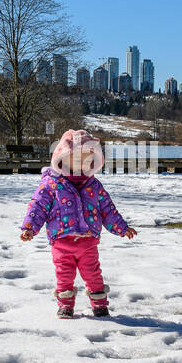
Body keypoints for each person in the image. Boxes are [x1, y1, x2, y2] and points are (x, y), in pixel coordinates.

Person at [20, 129, 137, 318]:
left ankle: (99, 304)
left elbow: (107, 209)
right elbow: (38, 207)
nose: (81, 165)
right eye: (75, 160)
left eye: (86, 161)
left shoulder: (94, 185)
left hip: (88, 242)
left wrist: (122, 228)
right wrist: (29, 228)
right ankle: (65, 305)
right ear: (62, 158)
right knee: (64, 275)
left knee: (93, 274)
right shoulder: (51, 184)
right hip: (62, 242)